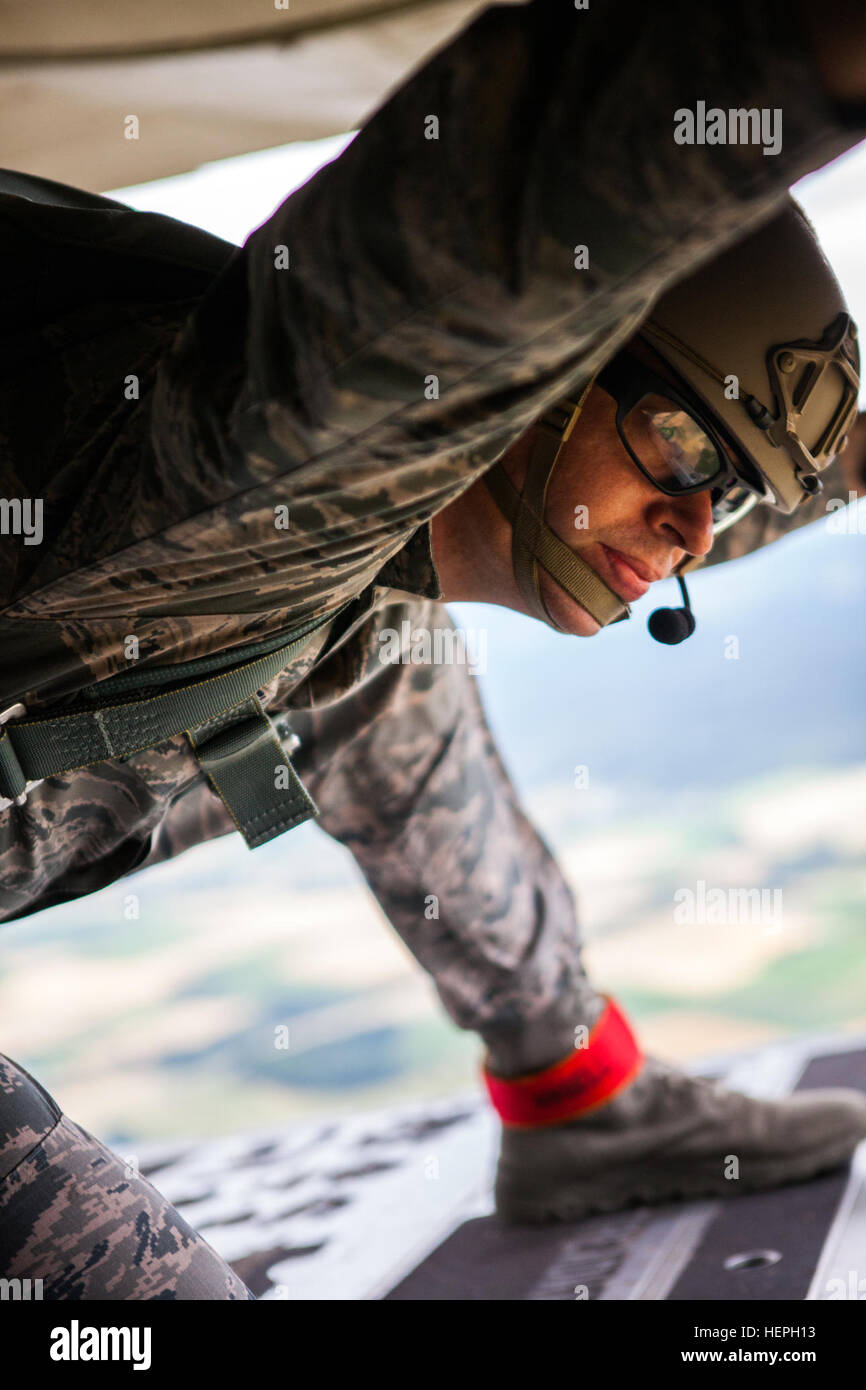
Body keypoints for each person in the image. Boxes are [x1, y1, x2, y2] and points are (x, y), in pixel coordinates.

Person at [2, 0, 866, 1297]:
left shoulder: (372, 541)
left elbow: (621, 505)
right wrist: (799, 54)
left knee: (385, 654)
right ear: (534, 378)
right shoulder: (233, 473)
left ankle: (578, 1095)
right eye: (686, 453)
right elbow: (456, 246)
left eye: (732, 494)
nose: (693, 530)